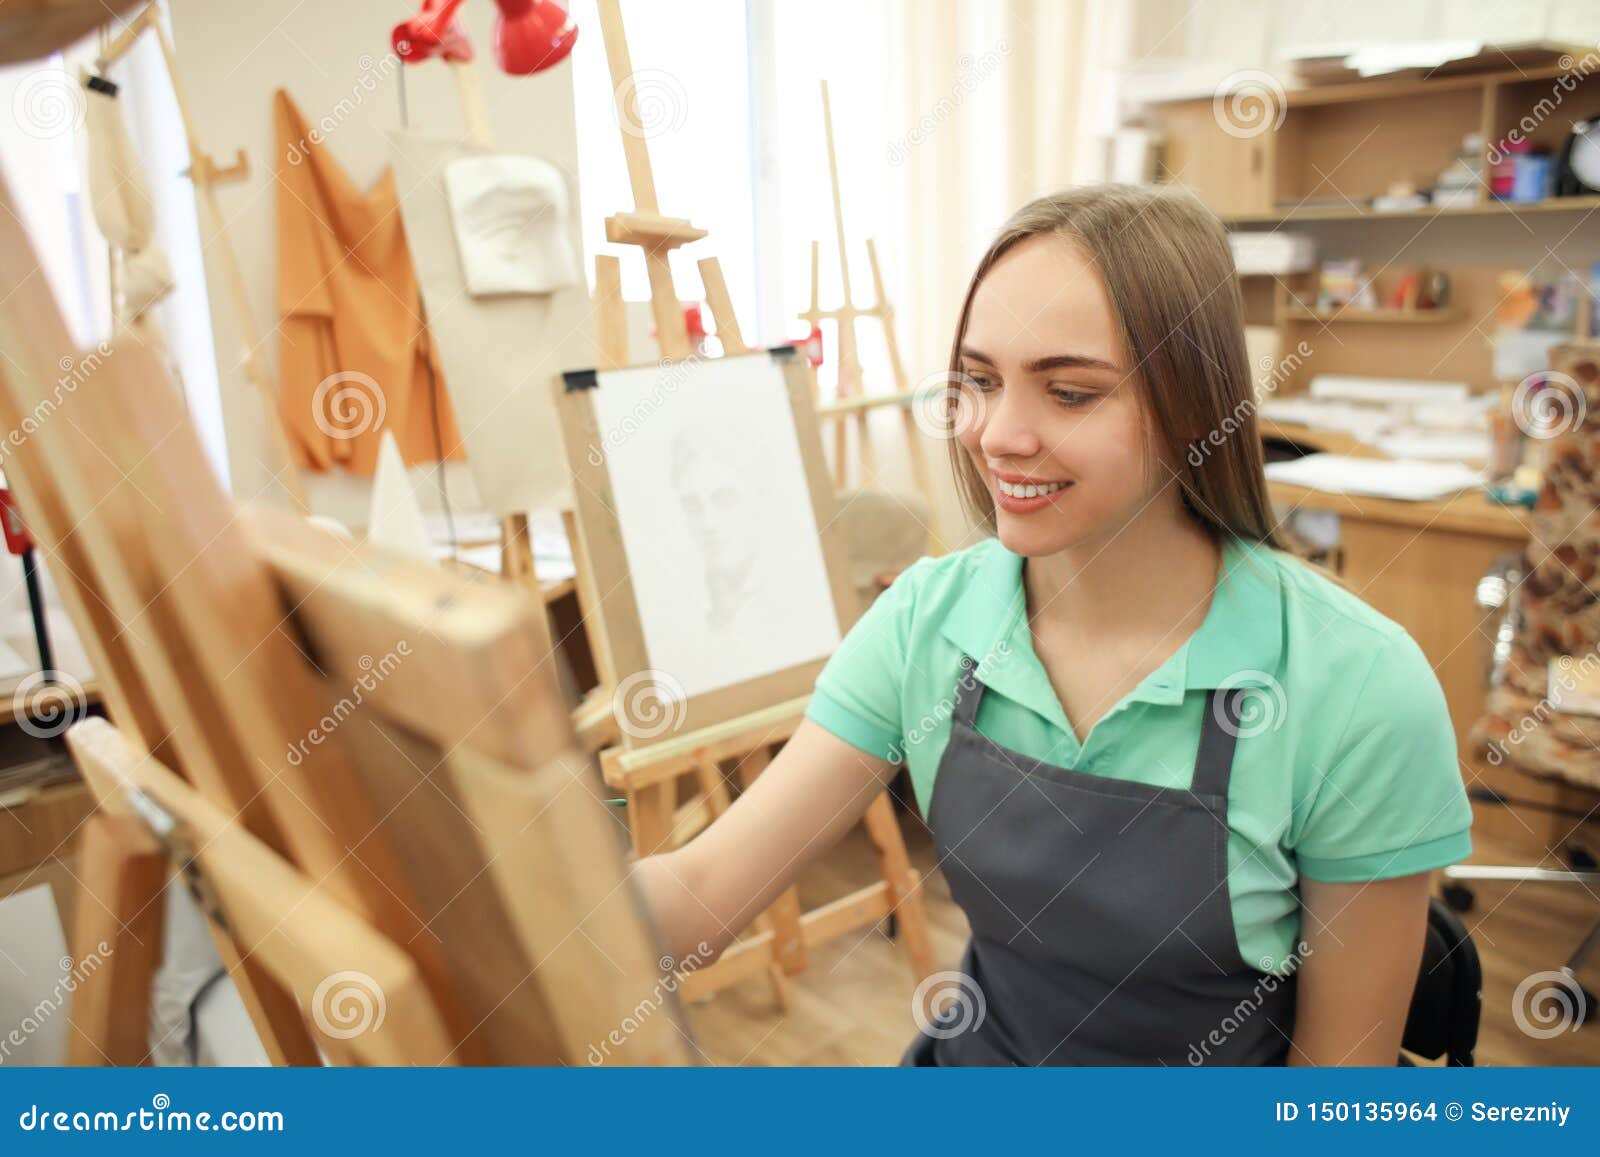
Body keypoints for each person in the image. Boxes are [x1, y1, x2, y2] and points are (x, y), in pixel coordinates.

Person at [631, 184, 1473, 1066]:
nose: (999, 434)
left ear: (1194, 404)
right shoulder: (928, 622)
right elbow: (702, 890)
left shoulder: (1357, 685)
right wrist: (500, 911)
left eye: (1069, 393)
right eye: (980, 382)